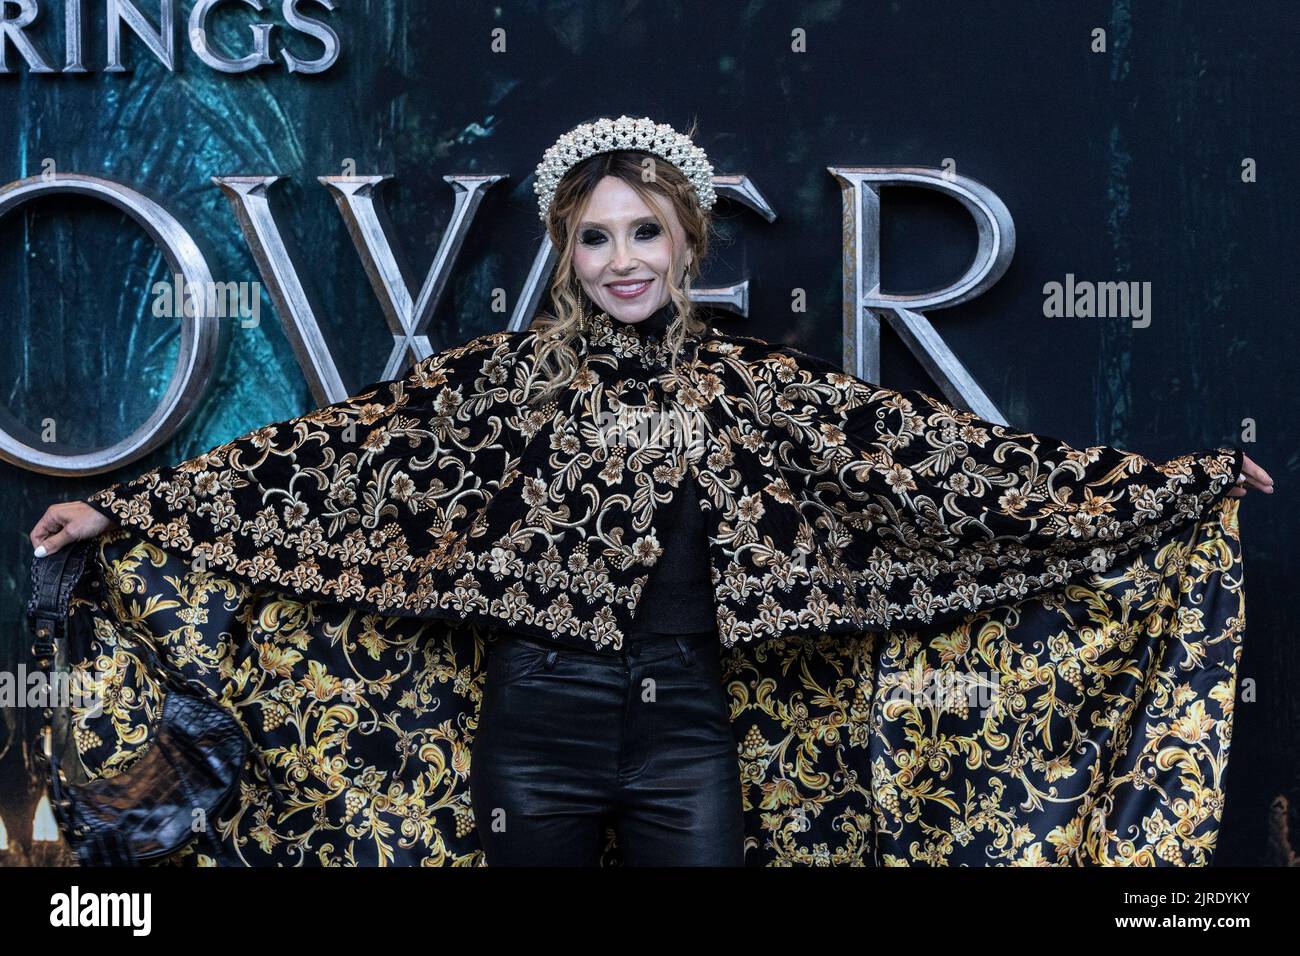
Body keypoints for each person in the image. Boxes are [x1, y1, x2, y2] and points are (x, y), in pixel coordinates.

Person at [30, 115, 1273, 867]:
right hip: (534, 725)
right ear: (564, 251)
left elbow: (944, 467)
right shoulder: (497, 386)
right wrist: (128, 509)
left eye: (644, 232)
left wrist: (1164, 490)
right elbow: (323, 461)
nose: (621, 259)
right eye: (594, 236)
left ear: (687, 239)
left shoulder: (755, 388)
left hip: (685, 724)